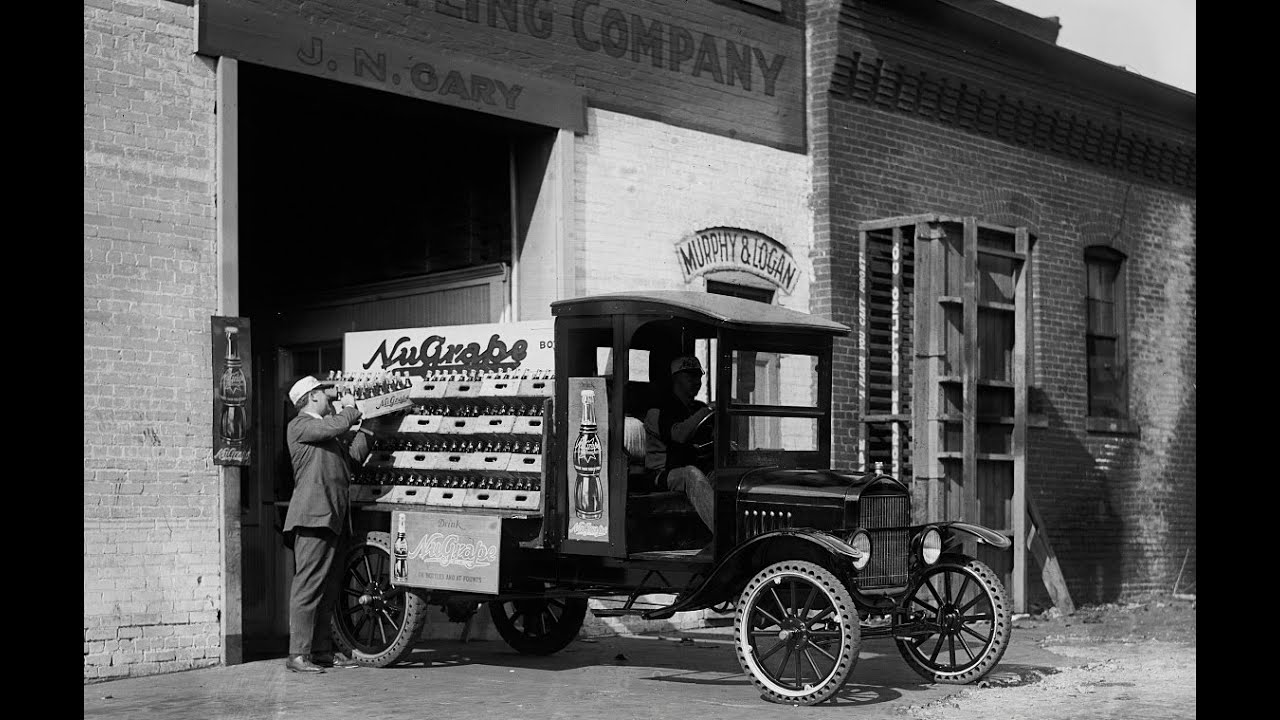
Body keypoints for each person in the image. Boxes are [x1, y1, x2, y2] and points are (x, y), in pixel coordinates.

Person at [282, 375, 375, 673]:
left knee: (329, 588)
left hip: (332, 517)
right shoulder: (300, 425)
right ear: (312, 397)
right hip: (312, 517)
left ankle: (320, 651)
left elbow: (353, 458)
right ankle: (298, 654)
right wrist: (352, 408)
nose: (330, 397)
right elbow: (336, 424)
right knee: (308, 587)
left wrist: (372, 426)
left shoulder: (328, 432)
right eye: (325, 392)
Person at [644, 355, 716, 534]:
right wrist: (708, 410)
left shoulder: (698, 408)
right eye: (690, 375)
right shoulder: (658, 410)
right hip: (662, 474)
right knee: (691, 474)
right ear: (676, 378)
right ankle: (725, 538)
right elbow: (679, 435)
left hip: (696, 467)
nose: (697, 381)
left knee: (723, 476)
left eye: (699, 375)